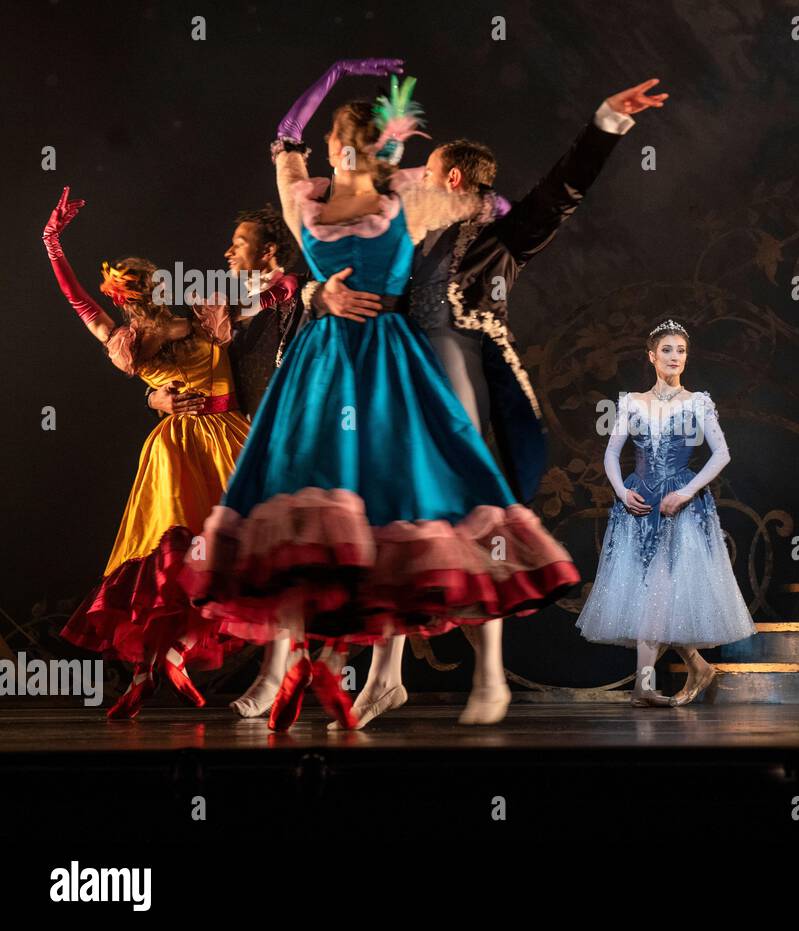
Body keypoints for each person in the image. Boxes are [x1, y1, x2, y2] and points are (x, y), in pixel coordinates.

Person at [182, 58, 580, 731]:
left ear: (375, 150)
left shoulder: (402, 198)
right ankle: (297, 672)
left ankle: (419, 675)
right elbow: (283, 136)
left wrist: (408, 154)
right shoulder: (302, 198)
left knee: (416, 505)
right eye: (340, 141)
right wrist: (337, 72)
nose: (345, 151)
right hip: (321, 367)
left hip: (392, 365)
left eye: (360, 144)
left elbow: (495, 203)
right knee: (307, 520)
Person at [308, 78, 668, 727]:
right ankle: (386, 675)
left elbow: (563, 191)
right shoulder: (407, 242)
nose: (411, 183)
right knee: (402, 527)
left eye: (425, 175)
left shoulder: (500, 237)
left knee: (470, 527)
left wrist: (608, 120)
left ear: (450, 179)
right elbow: (347, 275)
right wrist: (318, 296)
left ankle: (490, 676)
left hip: (457, 385)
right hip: (403, 382)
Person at [42, 187, 249, 719]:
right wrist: (52, 242)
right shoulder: (160, 331)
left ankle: (160, 662)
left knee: (198, 555)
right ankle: (159, 661)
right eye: (126, 291)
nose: (125, 298)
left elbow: (78, 301)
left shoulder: (177, 325)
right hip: (199, 441)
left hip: (203, 440)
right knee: (193, 554)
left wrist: (53, 244)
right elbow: (78, 301)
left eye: (127, 290)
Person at [148, 206, 307, 718]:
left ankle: (275, 672)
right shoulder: (222, 310)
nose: (226, 252)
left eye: (238, 243)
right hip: (238, 446)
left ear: (268, 252)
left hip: (292, 440)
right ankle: (213, 650)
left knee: (278, 559)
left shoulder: (295, 296)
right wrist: (159, 400)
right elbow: (173, 370)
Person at [575, 320, 754, 705]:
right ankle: (689, 669)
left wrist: (688, 491)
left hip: (681, 506)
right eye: (668, 350)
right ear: (652, 356)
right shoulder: (633, 401)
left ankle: (646, 684)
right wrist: (621, 492)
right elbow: (610, 453)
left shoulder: (698, 402)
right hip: (639, 502)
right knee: (650, 594)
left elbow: (722, 453)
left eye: (682, 351)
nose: (676, 357)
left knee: (660, 592)